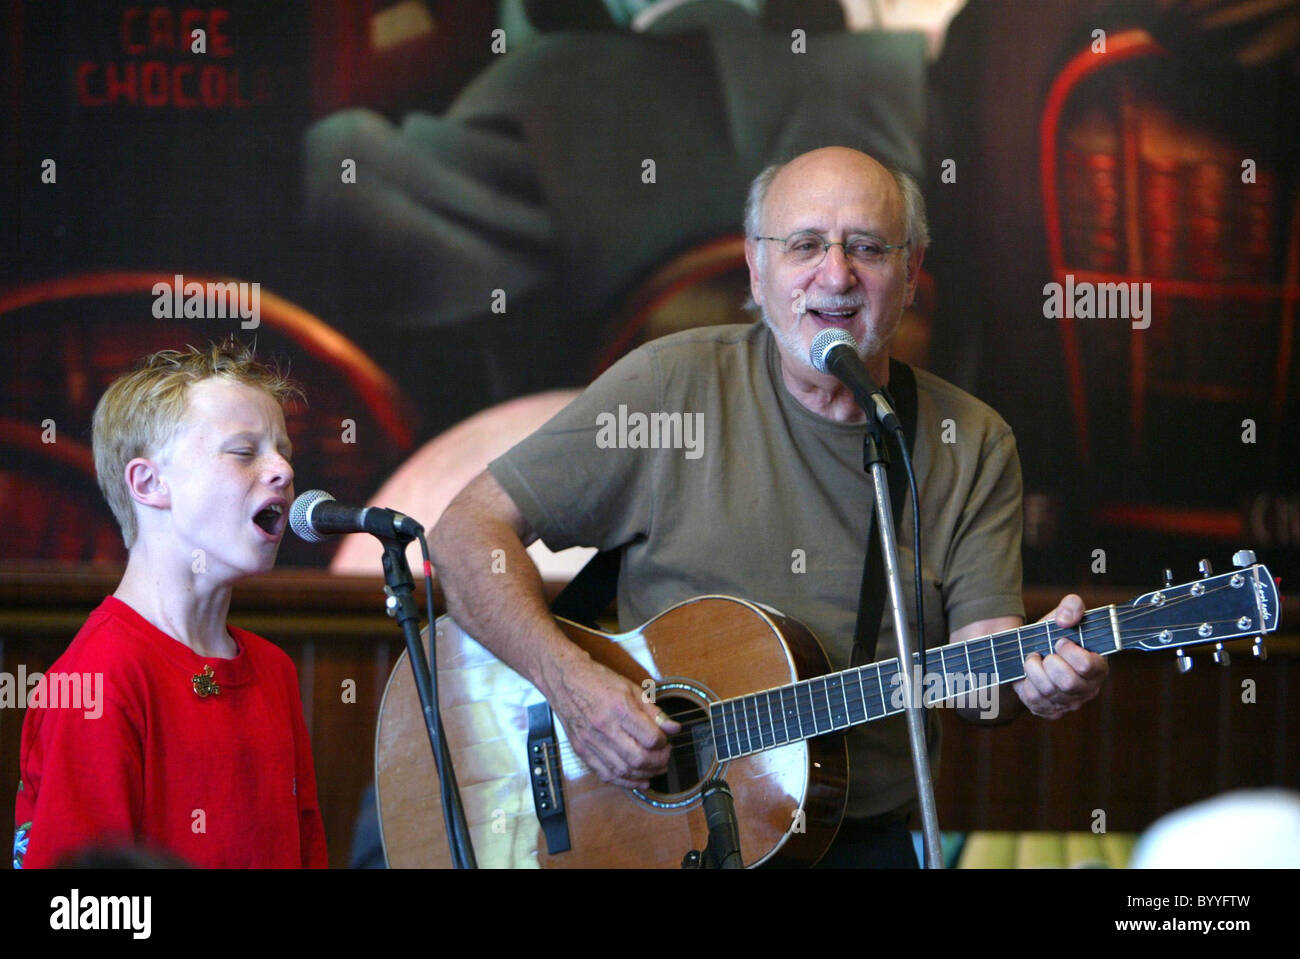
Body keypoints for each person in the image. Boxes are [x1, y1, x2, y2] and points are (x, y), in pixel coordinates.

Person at [429, 146, 1108, 867]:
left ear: (910, 273)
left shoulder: (970, 440)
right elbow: (464, 532)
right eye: (805, 244)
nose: (836, 274)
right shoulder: (670, 388)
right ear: (757, 268)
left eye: (868, 248)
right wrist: (571, 685)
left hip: (855, 838)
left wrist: (1036, 681)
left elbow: (980, 681)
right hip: (650, 836)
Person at [13, 340, 328, 869]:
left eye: (284, 452)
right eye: (244, 452)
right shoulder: (100, 678)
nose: (282, 470)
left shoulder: (273, 670)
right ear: (150, 482)